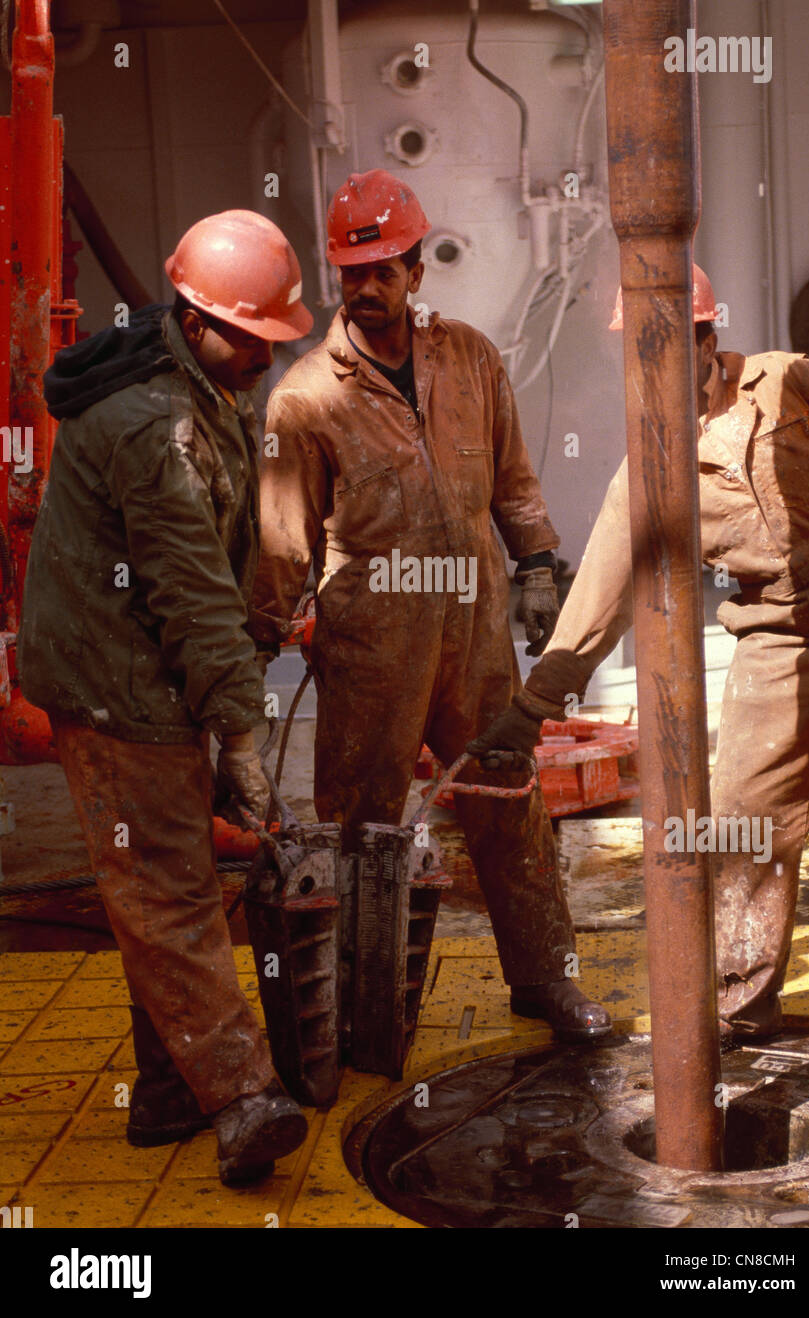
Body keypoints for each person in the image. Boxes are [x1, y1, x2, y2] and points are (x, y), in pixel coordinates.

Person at [251, 169, 610, 1040]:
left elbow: (513, 478)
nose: (365, 289)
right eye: (350, 274)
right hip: (372, 651)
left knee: (507, 801)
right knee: (360, 833)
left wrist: (533, 562)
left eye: (382, 270)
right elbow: (280, 541)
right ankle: (357, 1015)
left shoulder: (472, 359)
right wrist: (249, 652)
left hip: (476, 636)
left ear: (416, 269)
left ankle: (544, 981)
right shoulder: (304, 399)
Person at [469, 263, 809, 1044]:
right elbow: (600, 595)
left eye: (674, 345)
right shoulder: (650, 468)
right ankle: (741, 1012)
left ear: (709, 336)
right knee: (741, 829)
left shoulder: (794, 384)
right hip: (777, 647)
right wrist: (534, 708)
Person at [19, 210, 315, 1186]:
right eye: (253, 338)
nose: (265, 357)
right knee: (168, 891)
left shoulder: (199, 387)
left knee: (167, 874)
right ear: (195, 318)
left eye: (276, 339)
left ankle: (162, 1094)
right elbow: (188, 585)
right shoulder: (158, 424)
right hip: (116, 689)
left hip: (146, 672)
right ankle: (241, 1097)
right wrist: (238, 727)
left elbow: (215, 568)